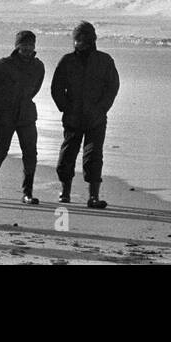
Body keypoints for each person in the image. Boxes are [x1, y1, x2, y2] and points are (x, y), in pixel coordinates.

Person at [51, 21, 119, 208]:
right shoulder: (67, 61)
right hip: (72, 117)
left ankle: (93, 196)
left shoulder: (105, 60)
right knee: (67, 155)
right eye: (77, 39)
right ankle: (65, 192)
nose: (80, 42)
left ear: (92, 40)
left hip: (96, 118)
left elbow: (112, 87)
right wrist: (65, 107)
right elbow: (56, 88)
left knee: (93, 156)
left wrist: (102, 108)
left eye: (84, 39)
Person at [0, 30, 45, 204]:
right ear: (17, 46)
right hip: (4, 115)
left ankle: (27, 192)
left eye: (30, 46)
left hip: (26, 114)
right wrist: (1, 103)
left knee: (30, 153)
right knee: (1, 151)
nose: (27, 49)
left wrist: (23, 101)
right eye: (24, 46)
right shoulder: (3, 65)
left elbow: (35, 88)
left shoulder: (39, 66)